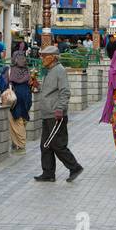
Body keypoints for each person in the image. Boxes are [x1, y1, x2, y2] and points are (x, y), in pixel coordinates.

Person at [33, 45, 84, 183]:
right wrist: (37, 85)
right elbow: (49, 90)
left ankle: (75, 167)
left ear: (53, 58)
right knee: (45, 145)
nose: (42, 59)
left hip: (55, 114)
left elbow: (65, 91)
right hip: (47, 114)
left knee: (57, 144)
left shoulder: (59, 71)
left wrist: (60, 108)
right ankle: (48, 173)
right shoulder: (49, 71)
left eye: (44, 56)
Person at [0, 49, 36, 151]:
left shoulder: (8, 70)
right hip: (26, 98)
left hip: (14, 99)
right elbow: (32, 85)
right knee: (22, 120)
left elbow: (2, 86)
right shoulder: (27, 70)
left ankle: (20, 144)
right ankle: (18, 143)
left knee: (16, 121)